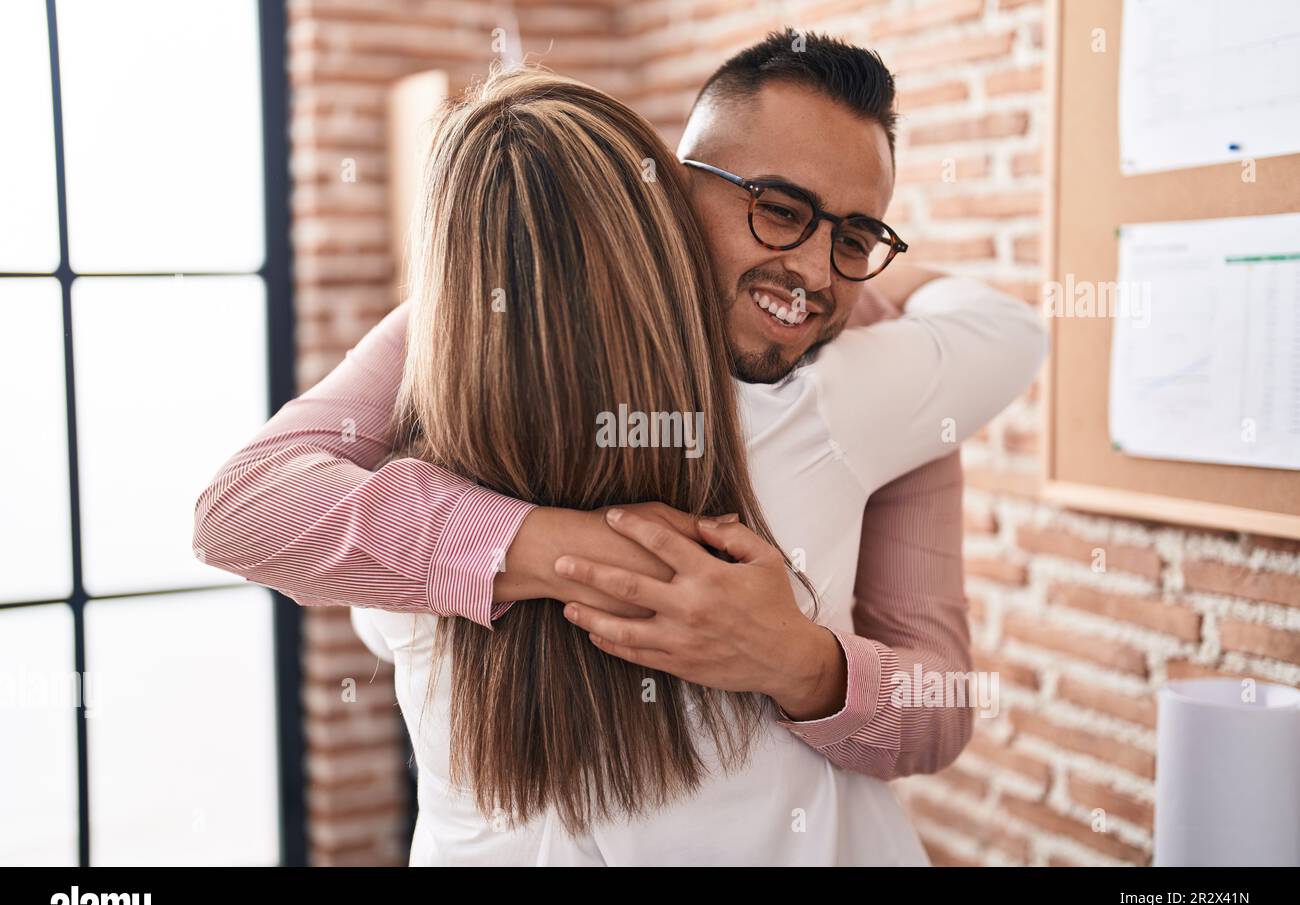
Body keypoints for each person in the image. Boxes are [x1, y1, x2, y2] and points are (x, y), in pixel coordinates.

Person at [193, 35, 1048, 862]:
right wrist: (569, 553)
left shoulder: (874, 390)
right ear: (671, 193)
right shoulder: (456, 353)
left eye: (857, 238)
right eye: (779, 212)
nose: (821, 273)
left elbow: (943, 710)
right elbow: (244, 509)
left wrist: (801, 662)